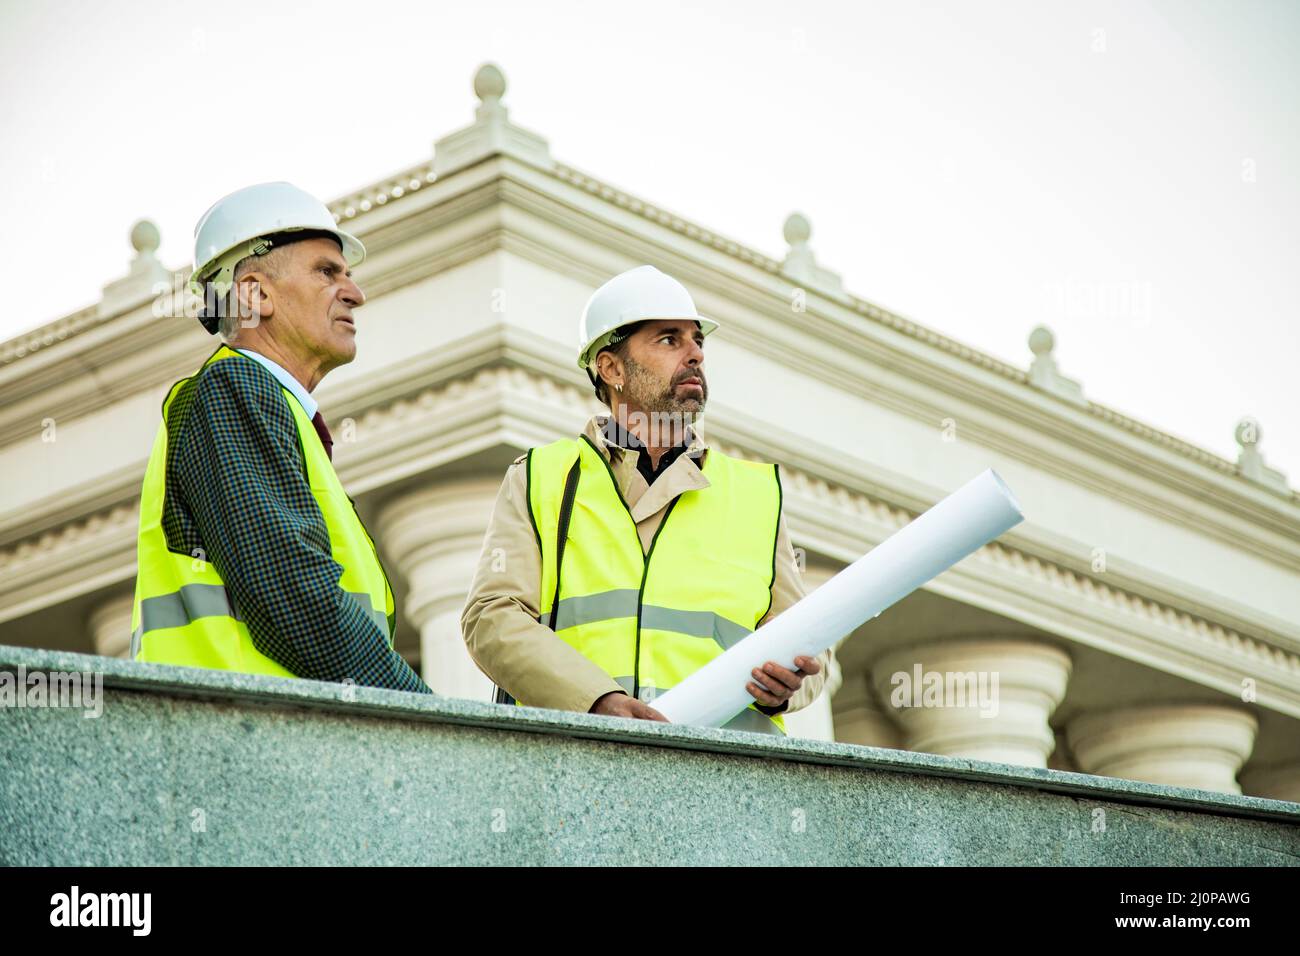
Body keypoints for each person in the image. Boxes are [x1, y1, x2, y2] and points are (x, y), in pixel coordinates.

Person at [461, 265, 830, 733]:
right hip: (578, 766)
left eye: (697, 341)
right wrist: (595, 701)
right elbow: (491, 617)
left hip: (732, 779)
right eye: (669, 340)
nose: (694, 354)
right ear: (611, 368)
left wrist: (793, 682)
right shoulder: (540, 478)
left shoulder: (755, 494)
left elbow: (810, 637)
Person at [130, 182, 429, 693]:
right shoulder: (232, 389)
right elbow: (294, 597)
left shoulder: (271, 406)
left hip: (265, 738)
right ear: (254, 294)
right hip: (249, 742)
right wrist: (426, 717)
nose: (355, 293)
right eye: (326, 272)